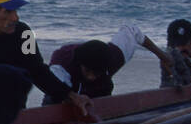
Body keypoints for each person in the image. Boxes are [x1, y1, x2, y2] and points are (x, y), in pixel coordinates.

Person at [43, 23, 176, 104]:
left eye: (96, 73)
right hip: (61, 91)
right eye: (88, 71)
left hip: (97, 93)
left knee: (102, 91)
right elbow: (53, 85)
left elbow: (133, 31)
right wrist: (73, 98)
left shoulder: (114, 56)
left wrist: (163, 57)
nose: (91, 76)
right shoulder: (62, 63)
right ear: (80, 64)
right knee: (54, 97)